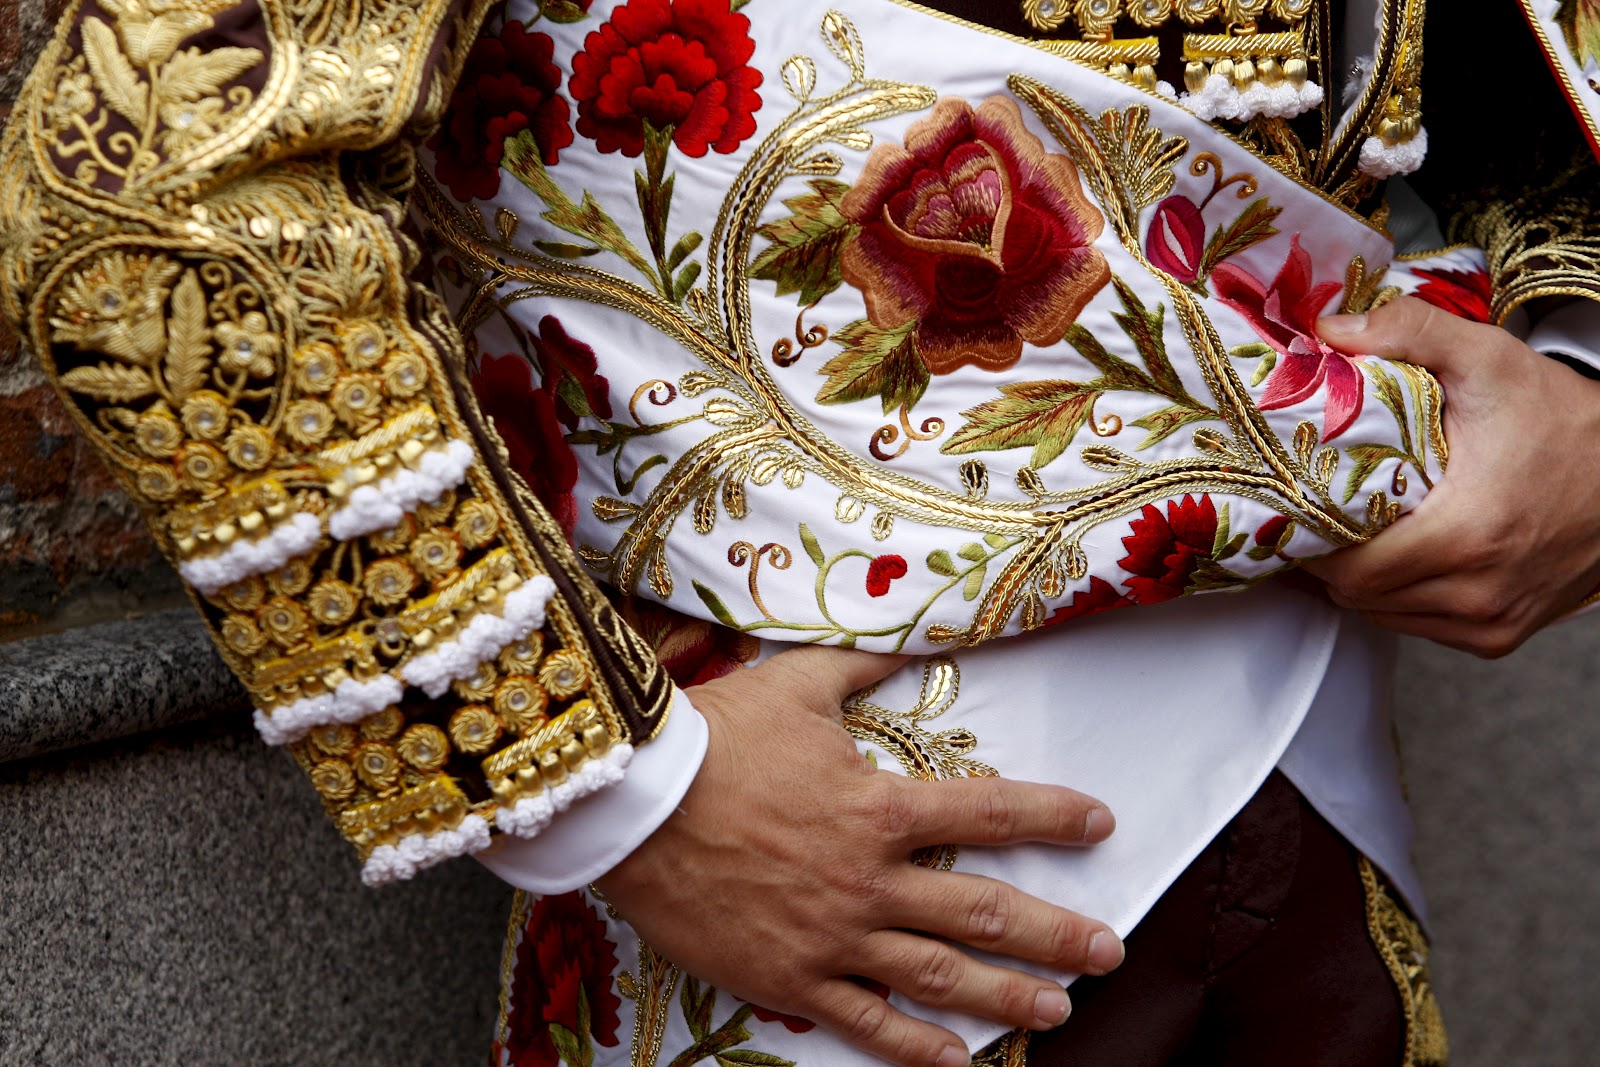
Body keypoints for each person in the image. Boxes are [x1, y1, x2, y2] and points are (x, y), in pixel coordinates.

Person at [2, 2, 1596, 1066]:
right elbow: (148, 185)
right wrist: (598, 790)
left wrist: (1582, 374)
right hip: (804, 850)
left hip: (1327, 807)